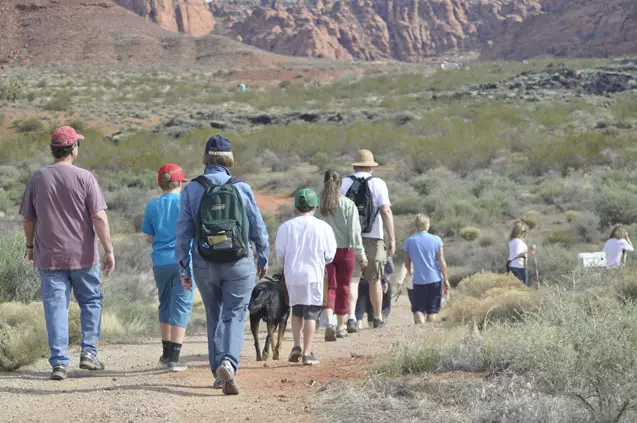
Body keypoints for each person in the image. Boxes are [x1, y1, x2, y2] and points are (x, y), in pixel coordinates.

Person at [19, 126, 115, 381]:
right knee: (91, 302)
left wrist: (30, 246)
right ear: (73, 149)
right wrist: (109, 249)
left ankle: (59, 363)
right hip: (83, 255)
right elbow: (98, 216)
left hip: (49, 256)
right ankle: (89, 353)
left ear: (54, 150)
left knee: (55, 308)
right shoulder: (85, 177)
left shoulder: (38, 177)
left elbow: (29, 218)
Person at [176, 134, 269, 395]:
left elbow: (183, 233)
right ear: (229, 158)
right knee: (235, 313)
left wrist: (184, 268)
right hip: (239, 262)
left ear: (206, 157)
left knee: (214, 314)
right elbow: (258, 228)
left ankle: (218, 371)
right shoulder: (241, 187)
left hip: (204, 262)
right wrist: (263, 257)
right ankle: (229, 362)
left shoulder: (192, 189)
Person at [276, 188, 337, 365]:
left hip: (292, 276)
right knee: (311, 312)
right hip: (314, 275)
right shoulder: (323, 227)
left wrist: (287, 266)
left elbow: (280, 254)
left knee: (297, 310)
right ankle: (308, 352)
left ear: (296, 206)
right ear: (314, 206)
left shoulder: (285, 227)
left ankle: (296, 346)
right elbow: (330, 255)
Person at [142, 164, 193, 372]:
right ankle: (175, 357)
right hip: (183, 261)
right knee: (181, 305)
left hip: (160, 262)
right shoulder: (186, 203)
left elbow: (150, 236)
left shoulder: (152, 206)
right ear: (180, 182)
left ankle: (165, 353)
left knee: (164, 303)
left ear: (160, 183)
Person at [341, 149, 395, 331]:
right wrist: (391, 238)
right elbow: (385, 211)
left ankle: (350, 318)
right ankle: (378, 317)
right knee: (375, 279)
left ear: (355, 166)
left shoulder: (345, 183)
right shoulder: (378, 183)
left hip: (350, 239)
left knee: (353, 278)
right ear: (371, 167)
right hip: (374, 237)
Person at [318, 170, 367, 341]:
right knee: (344, 287)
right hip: (346, 251)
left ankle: (329, 322)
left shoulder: (320, 205)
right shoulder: (348, 204)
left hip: (325, 253)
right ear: (339, 185)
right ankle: (340, 326)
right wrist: (361, 254)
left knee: (329, 287)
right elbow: (354, 232)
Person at [403, 214, 449, 324]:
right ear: (427, 225)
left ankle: (421, 328)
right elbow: (442, 261)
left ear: (416, 225)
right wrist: (446, 279)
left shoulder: (410, 241)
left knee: (418, 309)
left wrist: (409, 271)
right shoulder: (436, 240)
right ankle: (427, 332)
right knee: (432, 310)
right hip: (435, 279)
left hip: (418, 280)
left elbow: (406, 262)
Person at [355, 258, 393, 328]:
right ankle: (371, 323)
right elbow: (381, 270)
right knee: (371, 304)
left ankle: (359, 322)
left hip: (360, 281)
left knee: (359, 303)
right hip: (372, 283)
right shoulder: (374, 253)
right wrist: (384, 281)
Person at [507, 221, 536, 286]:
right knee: (522, 287)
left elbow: (517, 252)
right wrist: (530, 252)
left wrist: (529, 248)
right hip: (520, 267)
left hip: (512, 266)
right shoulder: (518, 242)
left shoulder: (512, 241)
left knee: (514, 287)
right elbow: (518, 254)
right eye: (524, 231)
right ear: (520, 232)